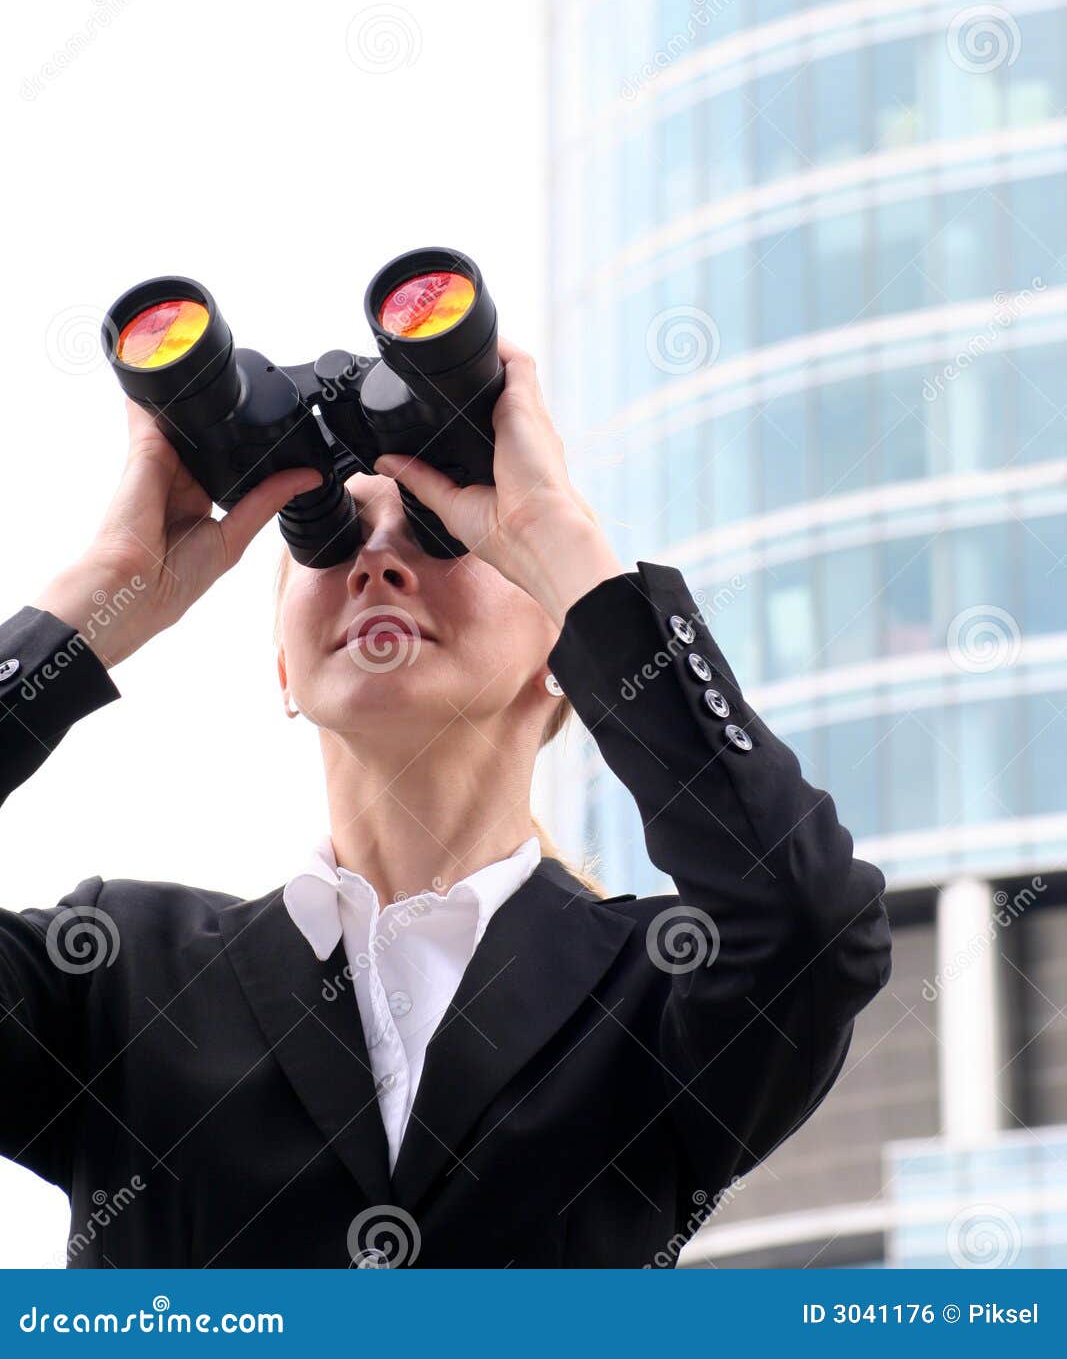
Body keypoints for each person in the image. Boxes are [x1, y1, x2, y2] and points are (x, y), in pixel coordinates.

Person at [0, 339, 891, 1268]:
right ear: (283, 672)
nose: (375, 563)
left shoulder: (652, 994)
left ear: (564, 650)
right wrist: (95, 600)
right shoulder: (115, 977)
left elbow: (809, 924)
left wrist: (562, 541)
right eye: (330, 535)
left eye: (440, 532)